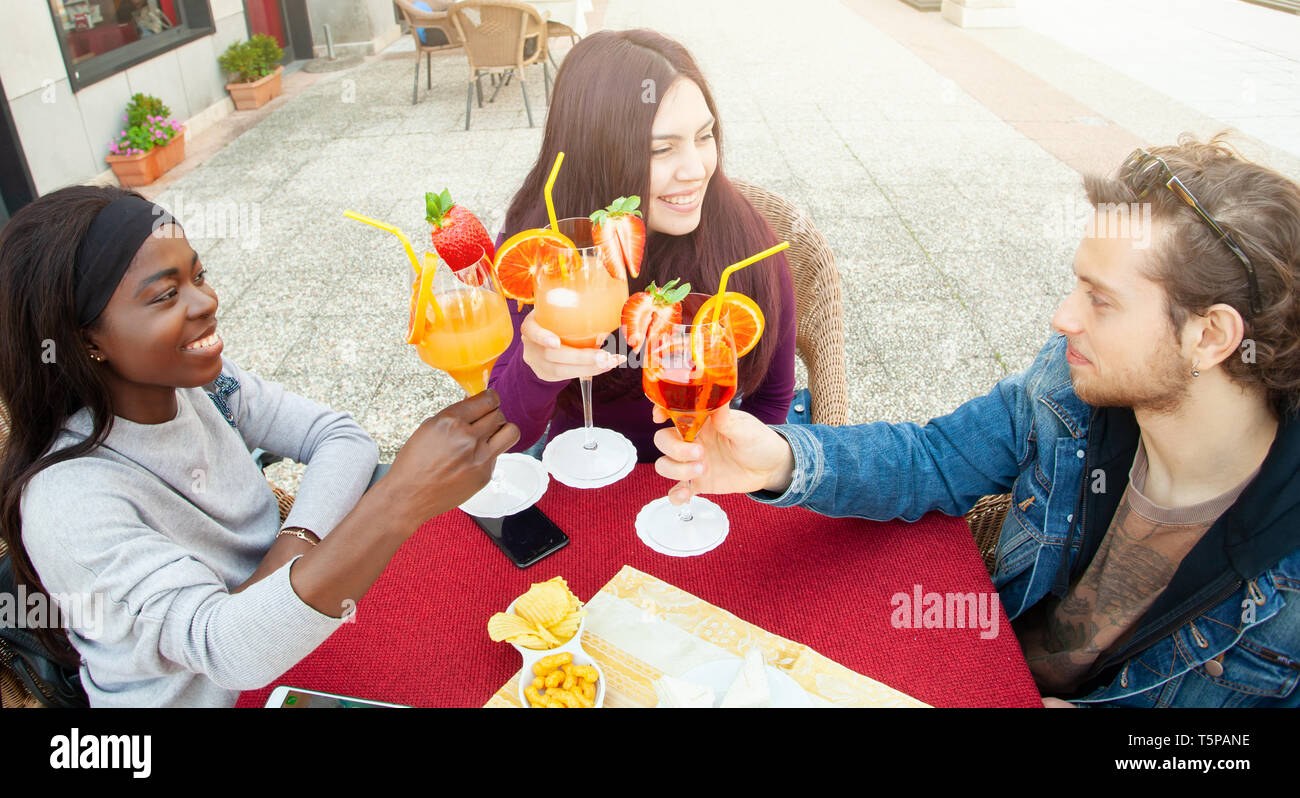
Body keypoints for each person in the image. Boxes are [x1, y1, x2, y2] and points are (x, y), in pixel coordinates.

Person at [652, 135, 1300, 707]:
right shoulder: (1069, 385)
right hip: (976, 658)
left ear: (1212, 336)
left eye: (1100, 301)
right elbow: (933, 459)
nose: (1063, 318)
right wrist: (782, 460)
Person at [0, 186, 518, 707]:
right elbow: (231, 654)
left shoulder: (204, 385)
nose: (207, 302)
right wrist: (399, 500)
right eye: (165, 295)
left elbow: (339, 437)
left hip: (300, 641)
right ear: (84, 340)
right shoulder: (67, 502)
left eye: (198, 276)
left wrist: (293, 549)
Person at [488, 29, 796, 462]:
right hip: (583, 467)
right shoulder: (541, 248)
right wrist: (535, 370)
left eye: (704, 136)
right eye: (661, 149)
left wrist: (720, 469)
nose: (696, 170)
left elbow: (772, 398)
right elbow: (508, 435)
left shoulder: (741, 237)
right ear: (597, 156)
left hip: (707, 468)